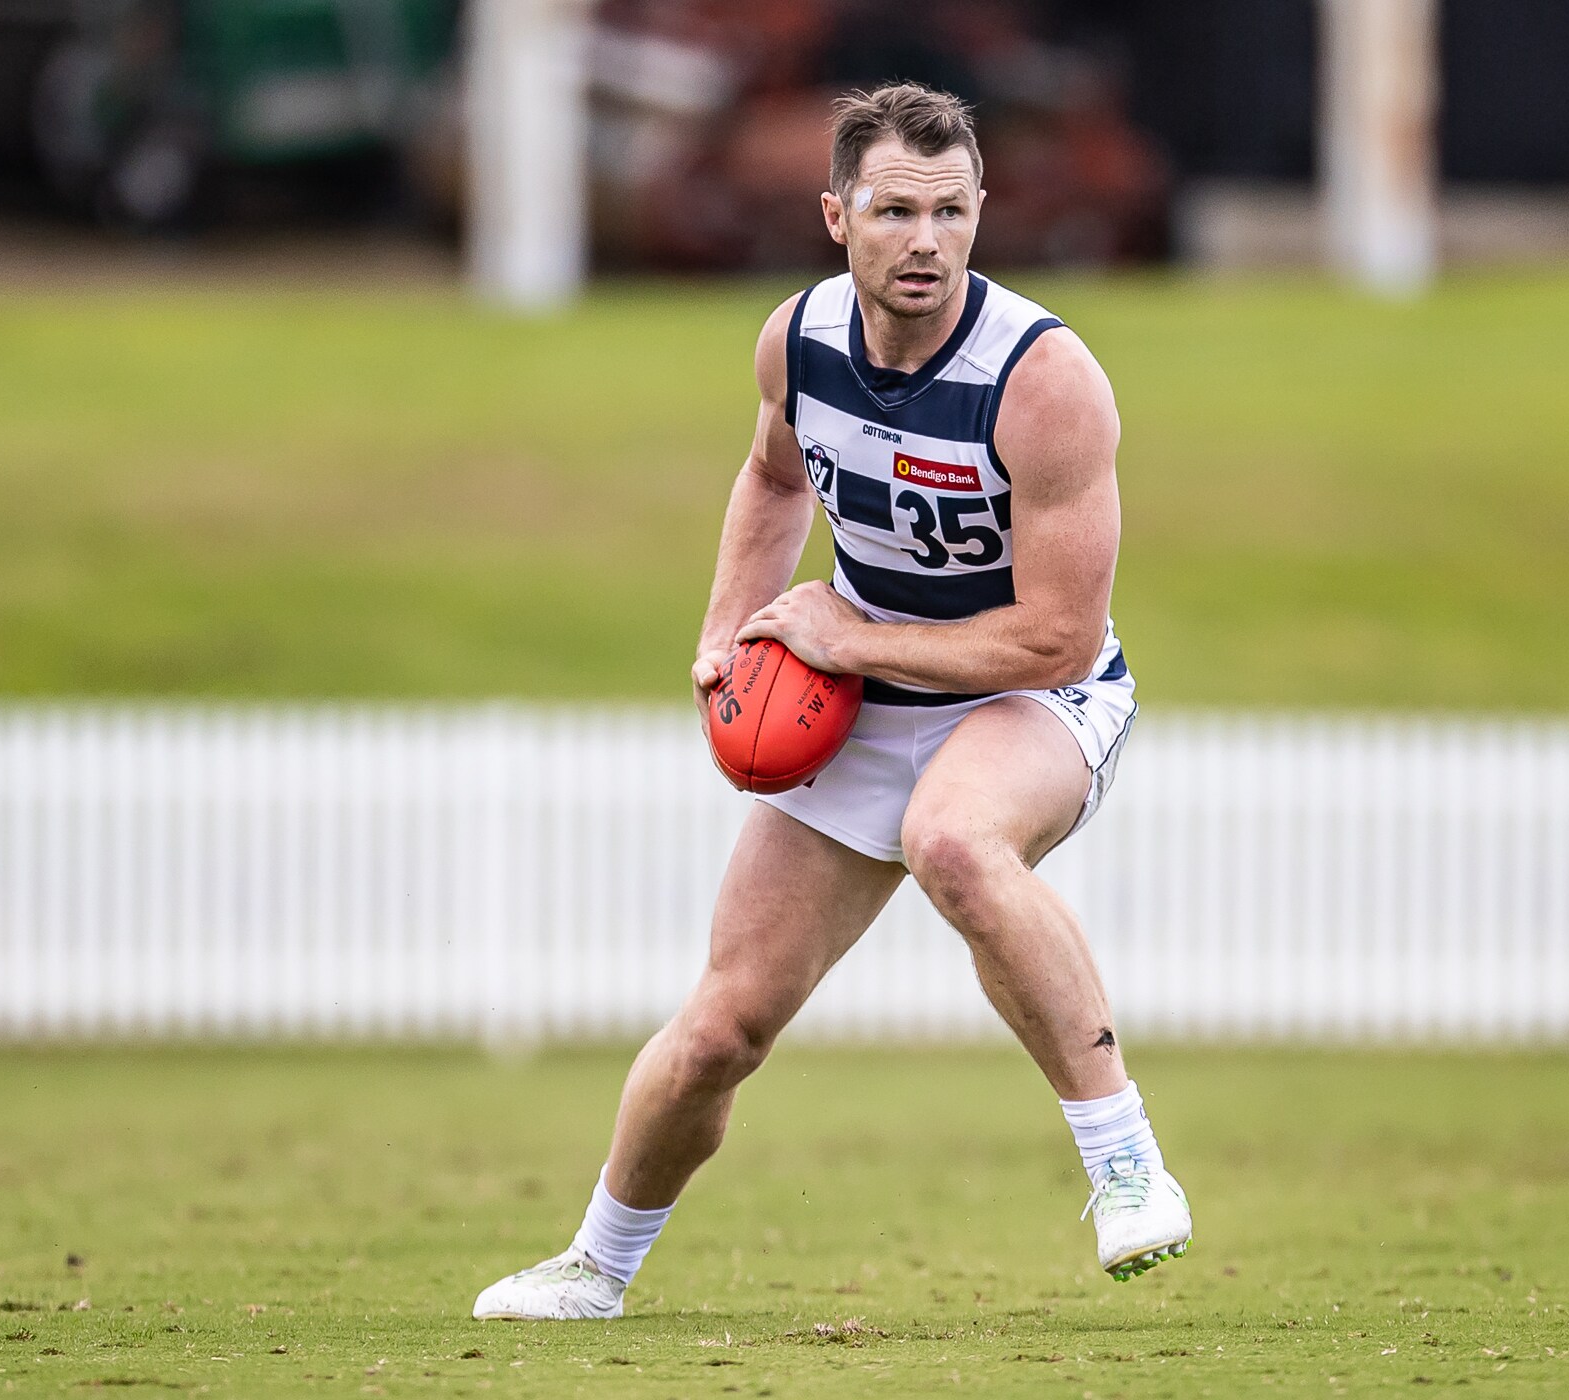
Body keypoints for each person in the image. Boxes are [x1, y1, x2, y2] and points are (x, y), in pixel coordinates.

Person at [473, 81, 1190, 1321]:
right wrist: (727, 631)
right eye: (896, 211)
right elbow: (770, 481)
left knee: (953, 839)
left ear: (981, 213)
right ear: (835, 215)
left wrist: (852, 636)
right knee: (722, 1027)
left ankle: (1129, 1163)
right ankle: (595, 1265)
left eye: (952, 212)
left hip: (1032, 694)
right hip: (868, 700)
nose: (927, 241)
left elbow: (1059, 636)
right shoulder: (796, 342)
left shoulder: (1044, 380)